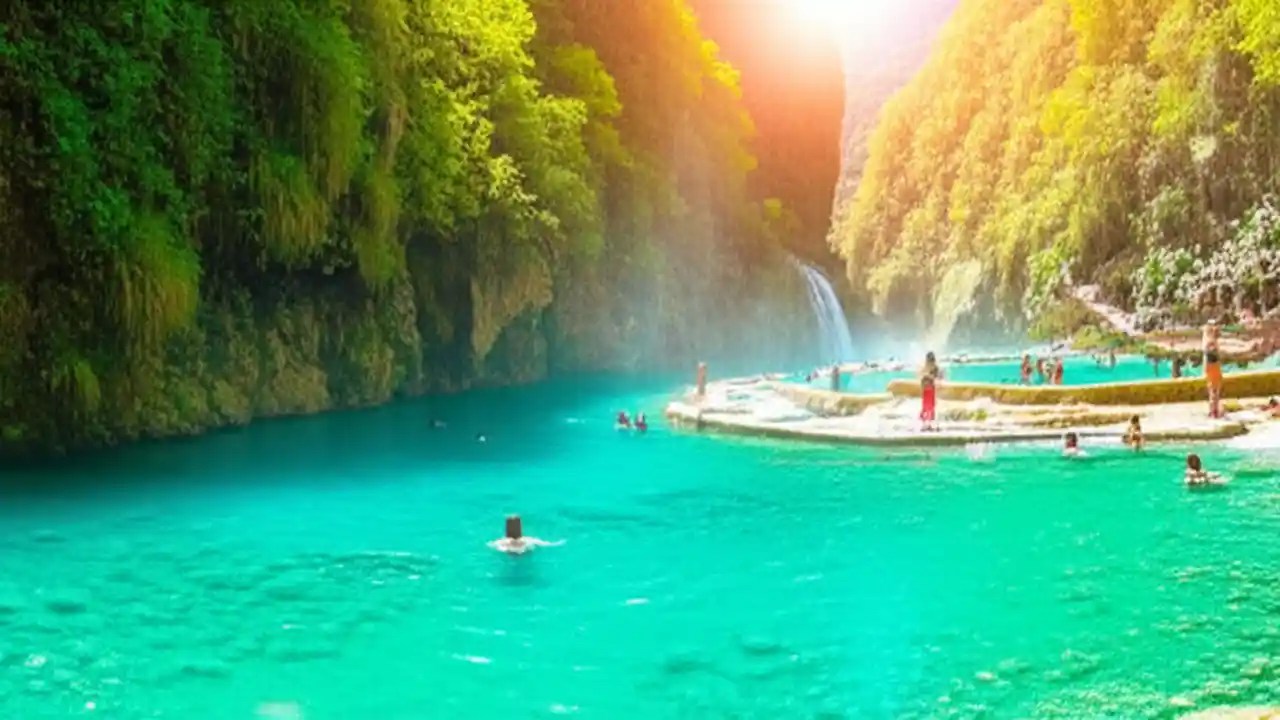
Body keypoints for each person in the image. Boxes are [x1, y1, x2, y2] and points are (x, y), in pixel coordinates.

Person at [489, 515, 562, 554]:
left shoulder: (500, 543)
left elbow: (491, 546)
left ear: (507, 528)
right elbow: (546, 544)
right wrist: (559, 542)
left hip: (510, 554)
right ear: (520, 527)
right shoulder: (528, 540)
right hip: (523, 552)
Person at [1204, 319, 1224, 418]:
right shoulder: (1210, 342)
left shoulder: (1210, 340)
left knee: (1214, 389)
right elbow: (1211, 355)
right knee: (1214, 390)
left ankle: (1213, 410)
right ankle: (1213, 411)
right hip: (1212, 366)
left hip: (1213, 366)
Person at [920, 352, 942, 432]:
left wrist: (928, 376)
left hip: (929, 388)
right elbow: (923, 379)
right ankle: (927, 424)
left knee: (929, 407)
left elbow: (936, 377)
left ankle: (928, 424)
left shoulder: (933, 368)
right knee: (927, 407)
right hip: (928, 389)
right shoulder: (927, 367)